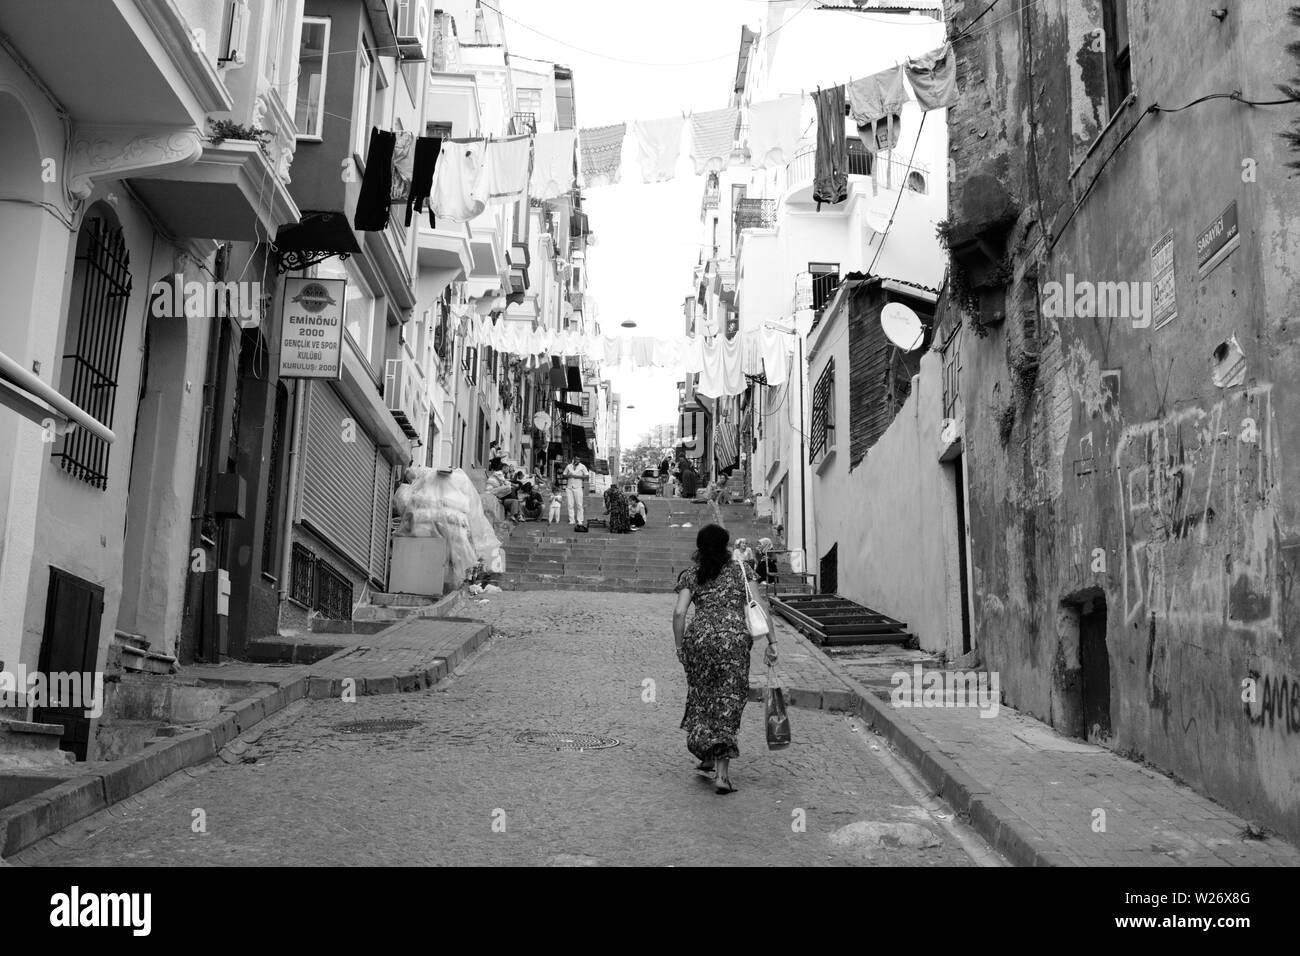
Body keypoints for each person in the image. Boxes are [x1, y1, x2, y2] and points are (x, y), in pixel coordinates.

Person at [672, 524, 777, 795]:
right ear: (726, 544)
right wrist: (772, 643)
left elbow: (679, 613)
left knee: (703, 698)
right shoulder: (742, 571)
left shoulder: (692, 575)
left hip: (700, 642)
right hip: (733, 642)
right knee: (728, 700)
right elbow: (760, 606)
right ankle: (722, 775)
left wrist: (680, 646)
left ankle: (706, 752)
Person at [562, 455, 590, 526]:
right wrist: (569, 476)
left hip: (578, 487)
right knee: (570, 504)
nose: (577, 460)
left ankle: (580, 520)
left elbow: (587, 476)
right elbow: (564, 475)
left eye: (579, 459)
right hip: (569, 487)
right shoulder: (569, 466)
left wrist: (576, 476)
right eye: (576, 459)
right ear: (573, 459)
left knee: (579, 504)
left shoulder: (582, 466)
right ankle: (571, 520)